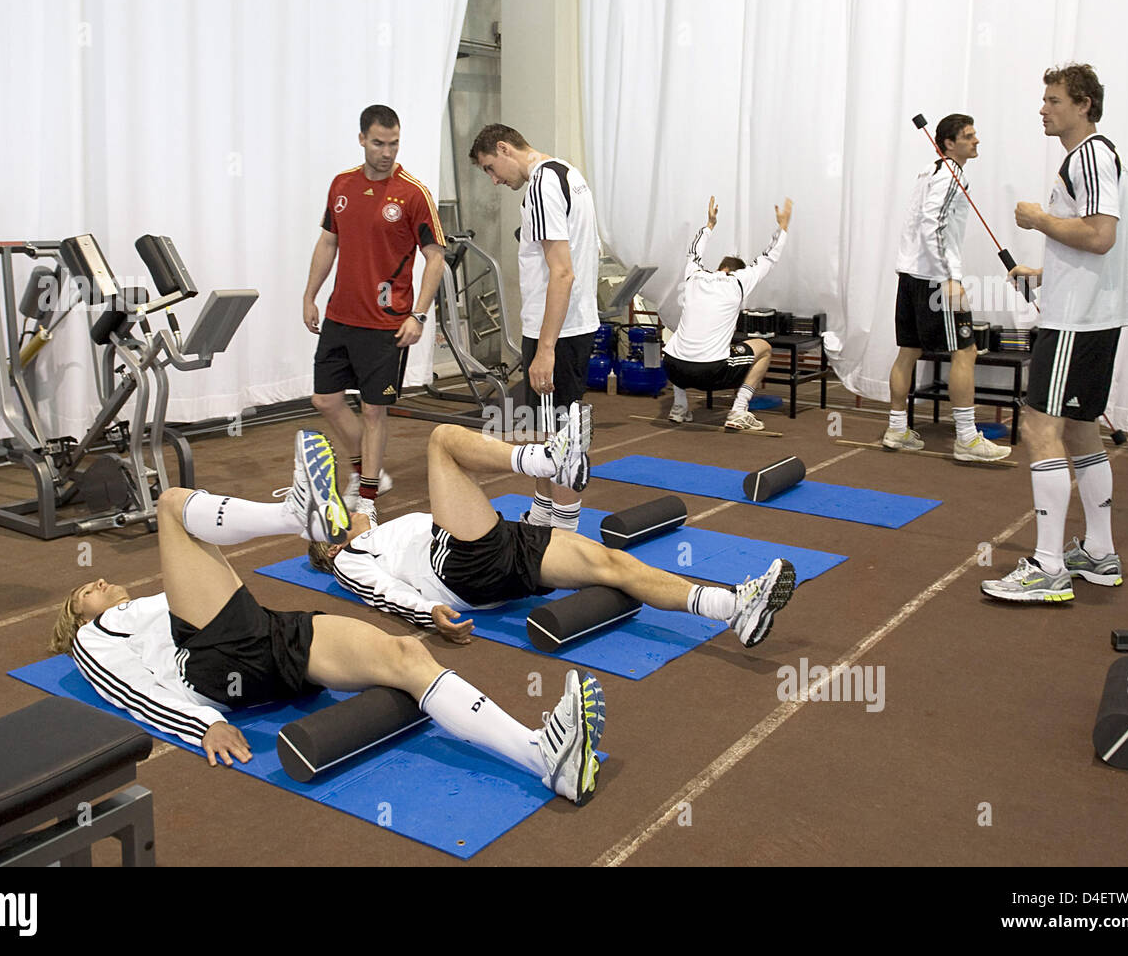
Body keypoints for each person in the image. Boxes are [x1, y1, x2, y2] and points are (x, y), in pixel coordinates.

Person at [50, 431, 603, 805]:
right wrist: (200, 726)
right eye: (83, 595)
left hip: (266, 634)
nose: (96, 585)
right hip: (211, 664)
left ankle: (540, 755)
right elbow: (128, 689)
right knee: (172, 504)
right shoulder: (97, 637)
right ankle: (294, 514)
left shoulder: (165, 596)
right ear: (74, 623)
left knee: (406, 654)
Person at [310, 404, 797, 650]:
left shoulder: (378, 528)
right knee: (441, 441)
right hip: (460, 570)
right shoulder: (351, 560)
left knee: (614, 563)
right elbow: (384, 596)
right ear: (330, 548)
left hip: (495, 547)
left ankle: (734, 607)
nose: (343, 511)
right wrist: (427, 613)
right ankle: (546, 461)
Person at [982, 63, 1128, 603]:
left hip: (1075, 323)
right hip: (1088, 315)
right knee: (1079, 431)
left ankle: (1048, 567)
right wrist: (1045, 271)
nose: (1043, 109)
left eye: (1053, 100)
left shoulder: (1090, 154)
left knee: (1038, 430)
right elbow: (1092, 245)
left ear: (1083, 104)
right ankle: (1098, 551)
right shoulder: (1087, 158)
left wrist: (1036, 219)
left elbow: (1099, 236)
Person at [303, 104, 447, 525]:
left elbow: (435, 258)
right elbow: (328, 243)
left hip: (386, 324)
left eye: (394, 143)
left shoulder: (412, 193)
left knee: (372, 411)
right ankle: (368, 470)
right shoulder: (341, 185)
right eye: (380, 143)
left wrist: (418, 315)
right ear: (362, 139)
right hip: (340, 316)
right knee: (325, 400)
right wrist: (309, 295)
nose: (387, 152)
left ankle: (367, 499)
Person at [469, 123, 600, 533]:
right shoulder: (565, 172)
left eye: (491, 168)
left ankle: (563, 533)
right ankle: (543, 516)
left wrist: (545, 349)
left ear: (505, 149)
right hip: (566, 326)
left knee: (561, 436)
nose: (493, 180)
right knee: (548, 430)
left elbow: (562, 273)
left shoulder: (542, 184)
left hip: (557, 331)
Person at [885, 113, 1012, 462]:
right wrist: (950, 278)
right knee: (965, 351)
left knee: (908, 350)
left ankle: (897, 429)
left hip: (911, 274)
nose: (976, 140)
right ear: (949, 143)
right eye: (969, 136)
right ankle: (968, 439)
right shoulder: (949, 175)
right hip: (933, 279)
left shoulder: (931, 171)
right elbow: (932, 226)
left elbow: (926, 223)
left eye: (975, 134)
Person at [662, 196, 792, 431]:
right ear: (734, 272)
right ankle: (739, 411)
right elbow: (769, 257)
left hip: (672, 368)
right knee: (764, 349)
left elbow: (693, 251)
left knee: (679, 344)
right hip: (711, 371)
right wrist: (782, 227)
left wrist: (710, 224)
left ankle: (679, 407)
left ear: (720, 267)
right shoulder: (739, 282)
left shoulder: (693, 275)